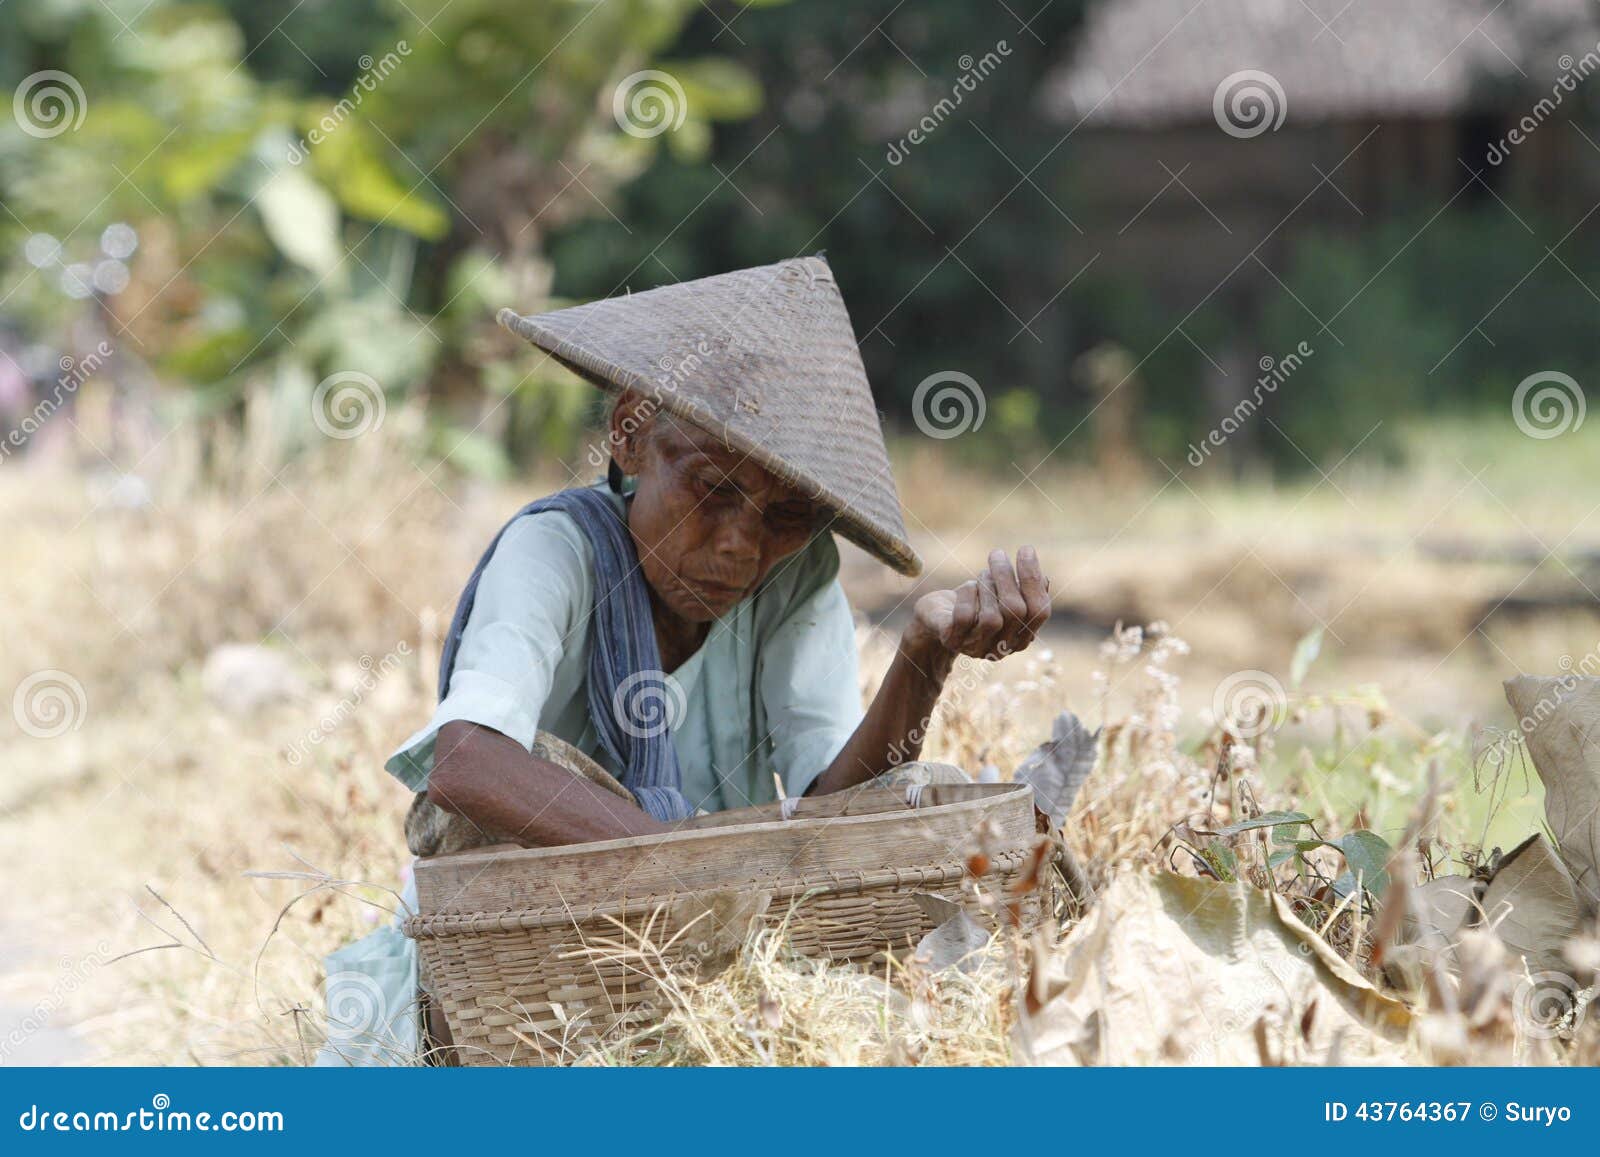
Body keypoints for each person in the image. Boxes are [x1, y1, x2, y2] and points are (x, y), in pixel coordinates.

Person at [317, 256, 1051, 1064]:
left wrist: (922, 657)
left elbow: (831, 811)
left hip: (705, 965)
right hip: (520, 979)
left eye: (786, 515)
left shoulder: (795, 578)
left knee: (912, 800)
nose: (742, 544)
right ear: (630, 435)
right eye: (711, 489)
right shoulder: (555, 551)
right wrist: (698, 884)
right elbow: (464, 761)